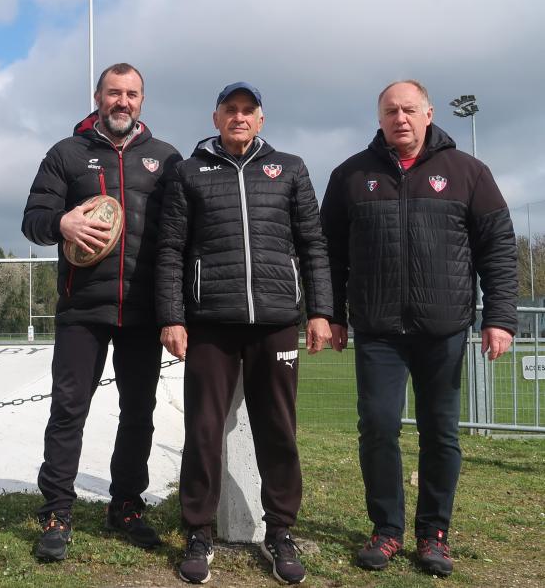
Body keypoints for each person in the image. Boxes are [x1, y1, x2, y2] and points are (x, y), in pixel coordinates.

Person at [320, 80, 517, 578]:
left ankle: (435, 534)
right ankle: (386, 530)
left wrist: (500, 318)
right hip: (378, 329)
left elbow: (497, 250)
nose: (400, 118)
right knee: (379, 427)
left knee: (441, 433)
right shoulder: (350, 176)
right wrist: (333, 314)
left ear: (429, 114)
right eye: (391, 111)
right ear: (380, 117)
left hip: (444, 328)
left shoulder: (469, 173)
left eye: (409, 109)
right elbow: (328, 255)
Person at [155, 82, 332, 585]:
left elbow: (313, 243)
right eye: (229, 110)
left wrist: (319, 310)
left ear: (261, 119)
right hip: (210, 323)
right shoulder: (189, 172)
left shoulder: (290, 168)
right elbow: (170, 249)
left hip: (276, 323)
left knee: (278, 430)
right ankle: (198, 532)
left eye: (247, 111)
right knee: (204, 430)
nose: (239, 117)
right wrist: (173, 316)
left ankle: (280, 532)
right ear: (215, 118)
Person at [21, 62, 182, 561]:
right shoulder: (66, 154)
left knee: (139, 413)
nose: (122, 102)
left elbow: (179, 235)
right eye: (114, 93)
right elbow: (33, 220)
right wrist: (61, 222)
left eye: (132, 94)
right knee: (69, 411)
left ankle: (126, 505)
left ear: (142, 101)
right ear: (97, 96)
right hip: (81, 310)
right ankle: (57, 511)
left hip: (141, 312)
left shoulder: (166, 158)